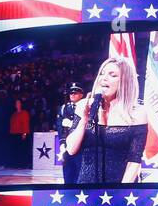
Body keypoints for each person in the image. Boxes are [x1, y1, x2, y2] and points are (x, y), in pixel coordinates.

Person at [63, 56, 148, 184]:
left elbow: (134, 160)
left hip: (121, 188)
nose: (104, 78)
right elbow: (71, 149)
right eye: (102, 73)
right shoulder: (84, 106)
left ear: (125, 82)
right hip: (86, 188)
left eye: (112, 75)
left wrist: (121, 192)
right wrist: (84, 120)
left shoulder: (137, 113)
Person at [57, 82, 86, 182]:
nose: (72, 95)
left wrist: (73, 124)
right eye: (71, 93)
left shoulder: (85, 107)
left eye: (76, 92)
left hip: (81, 145)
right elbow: (60, 127)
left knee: (80, 174)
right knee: (68, 173)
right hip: (67, 145)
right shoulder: (64, 108)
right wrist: (62, 142)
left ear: (81, 94)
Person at [8, 98, 31, 167]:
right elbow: (11, 124)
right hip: (14, 134)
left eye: (19, 103)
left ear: (21, 104)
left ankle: (22, 164)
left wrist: (24, 133)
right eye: (16, 103)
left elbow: (26, 124)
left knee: (21, 150)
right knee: (15, 150)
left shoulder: (24, 113)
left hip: (21, 134)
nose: (17, 104)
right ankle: (16, 164)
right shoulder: (14, 114)